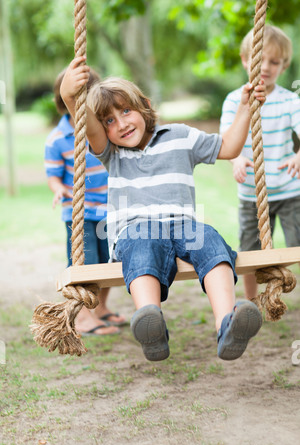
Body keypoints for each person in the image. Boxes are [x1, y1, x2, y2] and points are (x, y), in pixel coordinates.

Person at [60, 56, 266, 362]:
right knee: (142, 250)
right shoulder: (111, 153)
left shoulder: (180, 137)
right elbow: (87, 124)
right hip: (136, 230)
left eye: (126, 110)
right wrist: (69, 96)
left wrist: (246, 107)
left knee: (211, 242)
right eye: (109, 121)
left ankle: (227, 323)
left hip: (184, 226)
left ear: (143, 104)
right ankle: (150, 322)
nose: (122, 123)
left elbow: (229, 147)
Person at [220, 25, 300, 300]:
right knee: (251, 251)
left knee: (297, 246)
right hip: (252, 193)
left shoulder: (290, 101)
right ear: (246, 60)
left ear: (284, 65)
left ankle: (282, 287)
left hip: (290, 191)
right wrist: (237, 159)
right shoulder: (234, 100)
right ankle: (251, 300)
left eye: (274, 61)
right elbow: (226, 139)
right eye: (259, 59)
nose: (265, 67)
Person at [45, 67, 127, 336]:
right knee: (85, 263)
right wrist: (58, 189)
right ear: (63, 101)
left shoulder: (103, 129)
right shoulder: (57, 139)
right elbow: (53, 175)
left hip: (108, 208)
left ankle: (101, 309)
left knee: (109, 263)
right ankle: (82, 317)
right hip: (77, 211)